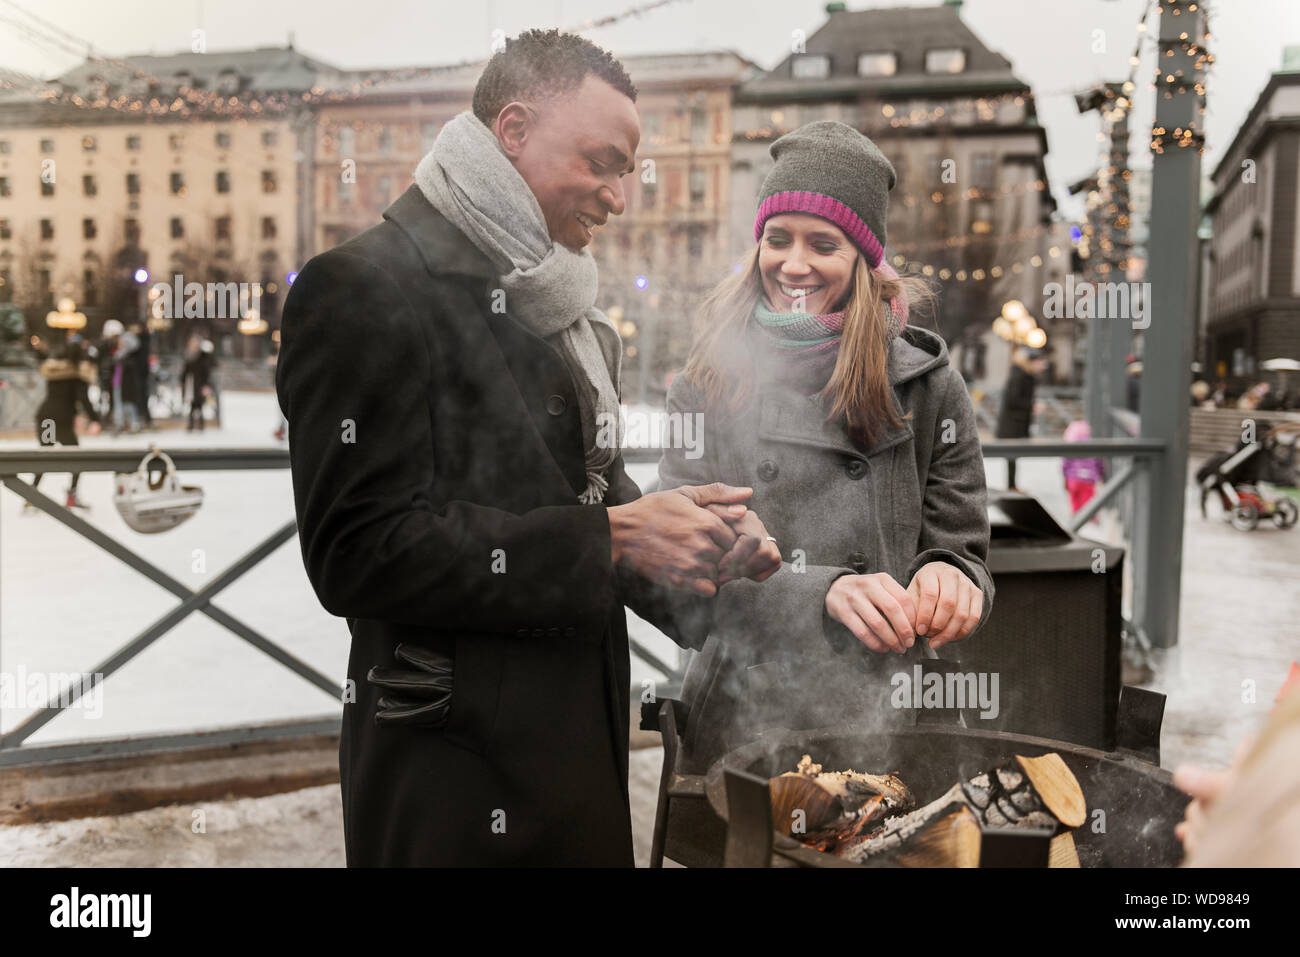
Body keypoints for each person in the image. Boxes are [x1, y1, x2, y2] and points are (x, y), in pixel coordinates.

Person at [276, 29, 778, 867]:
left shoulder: (565, 306)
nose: (620, 196)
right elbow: (355, 552)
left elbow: (590, 503)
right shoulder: (361, 287)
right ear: (511, 131)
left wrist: (699, 549)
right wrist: (613, 536)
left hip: (573, 761)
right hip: (453, 782)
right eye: (602, 162)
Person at [656, 121, 994, 769]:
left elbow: (962, 550)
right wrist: (818, 594)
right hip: (744, 720)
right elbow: (675, 580)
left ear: (864, 259)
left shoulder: (930, 384)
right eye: (777, 239)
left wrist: (952, 577)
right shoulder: (706, 380)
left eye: (824, 243)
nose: (794, 263)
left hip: (894, 718)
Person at [28, 336, 102, 511]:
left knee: (45, 455)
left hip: (47, 418)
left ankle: (30, 495)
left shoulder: (55, 371)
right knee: (76, 458)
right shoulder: (77, 374)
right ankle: (72, 495)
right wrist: (96, 419)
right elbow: (83, 398)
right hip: (61, 421)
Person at [995, 344, 1047, 490]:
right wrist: (1032, 407)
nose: (1043, 365)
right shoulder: (1019, 375)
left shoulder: (1024, 375)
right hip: (1012, 425)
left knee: (1013, 457)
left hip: (1014, 423)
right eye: (1040, 361)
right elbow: (1013, 400)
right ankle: (1011, 486)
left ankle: (1012, 486)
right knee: (1012, 456)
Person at [1062, 419, 1105, 513]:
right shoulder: (1092, 446)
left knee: (1074, 500)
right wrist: (1101, 475)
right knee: (1088, 504)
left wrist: (1065, 477)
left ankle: (1076, 519)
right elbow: (1100, 462)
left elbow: (1065, 464)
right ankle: (1087, 520)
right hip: (1088, 479)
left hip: (1072, 478)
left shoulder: (1070, 447)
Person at [181, 336, 214, 432]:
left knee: (199, 405)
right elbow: (185, 370)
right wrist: (182, 381)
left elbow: (206, 371)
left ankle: (200, 424)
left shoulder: (202, 357)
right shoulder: (188, 355)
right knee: (192, 405)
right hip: (190, 383)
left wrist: (206, 384)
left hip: (199, 383)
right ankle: (191, 424)